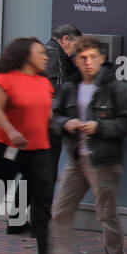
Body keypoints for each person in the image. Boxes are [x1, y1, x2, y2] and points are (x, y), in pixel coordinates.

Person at [33, 38, 127, 254]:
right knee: (61, 209)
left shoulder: (115, 89)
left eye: (92, 57)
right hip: (77, 158)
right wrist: (66, 124)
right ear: (75, 60)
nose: (88, 63)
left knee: (106, 214)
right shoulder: (70, 87)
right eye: (82, 58)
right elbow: (54, 117)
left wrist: (98, 127)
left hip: (104, 161)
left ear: (101, 59)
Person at [0, 38, 55, 254]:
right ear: (25, 55)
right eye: (40, 53)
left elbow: (46, 115)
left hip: (39, 150)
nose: (45, 56)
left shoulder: (44, 83)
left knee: (42, 202)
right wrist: (11, 131)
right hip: (7, 149)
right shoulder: (4, 80)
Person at [42, 24, 82, 190]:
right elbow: (52, 89)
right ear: (65, 39)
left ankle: (18, 214)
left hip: (47, 121)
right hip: (49, 122)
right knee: (47, 172)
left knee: (38, 173)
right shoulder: (53, 54)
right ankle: (26, 214)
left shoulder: (50, 51)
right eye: (75, 45)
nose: (75, 50)